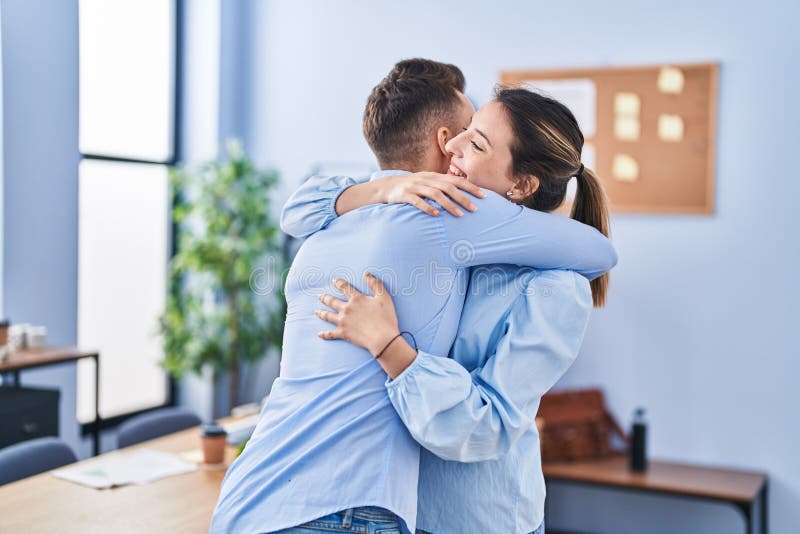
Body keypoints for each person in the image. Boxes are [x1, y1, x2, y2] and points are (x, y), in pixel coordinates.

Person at [210, 59, 616, 534]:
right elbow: (300, 206)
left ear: (521, 185)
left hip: (473, 521)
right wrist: (383, 187)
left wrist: (391, 348)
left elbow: (490, 425)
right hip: (397, 507)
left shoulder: (553, 285)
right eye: (463, 130)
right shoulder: (435, 221)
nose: (454, 144)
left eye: (475, 138)